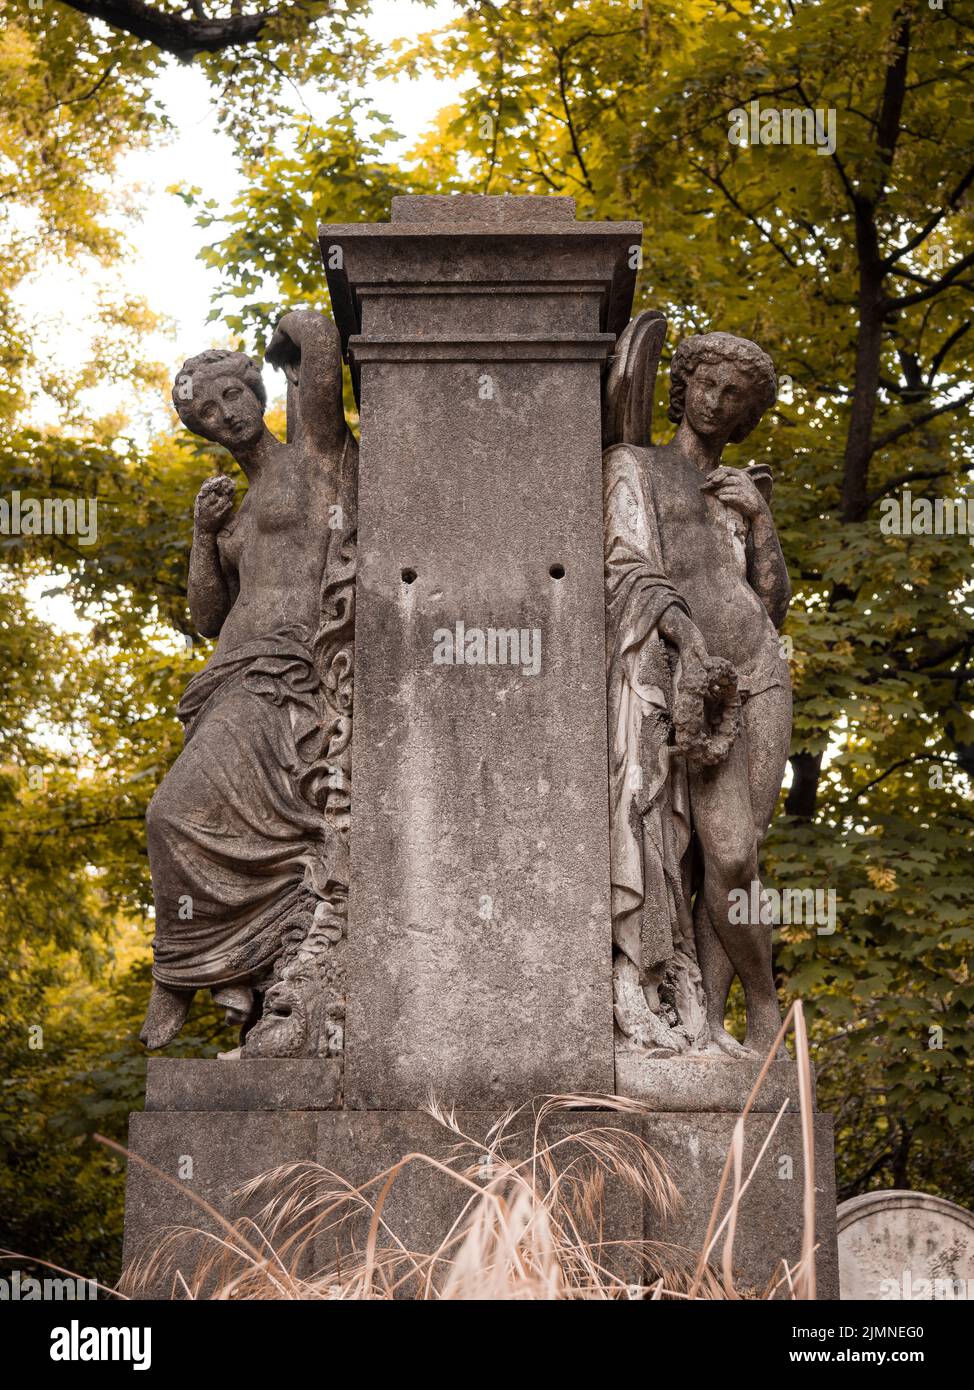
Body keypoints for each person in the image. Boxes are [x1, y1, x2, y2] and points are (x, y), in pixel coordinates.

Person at [140, 311, 355, 1049]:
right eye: (206, 414)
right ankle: (206, 971)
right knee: (175, 816)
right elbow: (205, 617)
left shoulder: (316, 456)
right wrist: (203, 536)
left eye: (232, 396)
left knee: (196, 818)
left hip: (294, 674)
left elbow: (323, 350)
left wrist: (285, 328)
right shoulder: (228, 514)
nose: (224, 416)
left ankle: (211, 971)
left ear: (255, 388)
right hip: (233, 675)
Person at [605, 331, 790, 1057]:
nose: (715, 403)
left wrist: (763, 518)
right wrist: (686, 642)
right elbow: (627, 566)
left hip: (761, 673)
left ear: (747, 415)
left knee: (738, 860)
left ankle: (719, 1024)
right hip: (693, 676)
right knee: (730, 853)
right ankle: (758, 1001)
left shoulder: (739, 491)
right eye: (707, 385)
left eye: (734, 397)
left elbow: (770, 602)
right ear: (684, 386)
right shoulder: (634, 466)